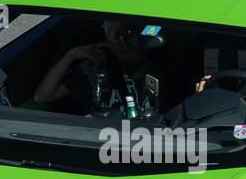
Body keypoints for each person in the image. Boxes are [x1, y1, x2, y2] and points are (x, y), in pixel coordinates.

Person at [34, 18, 163, 117]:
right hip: (102, 136)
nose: (115, 37)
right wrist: (71, 55)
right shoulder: (93, 65)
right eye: (108, 29)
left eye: (121, 30)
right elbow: (43, 96)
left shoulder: (158, 61)